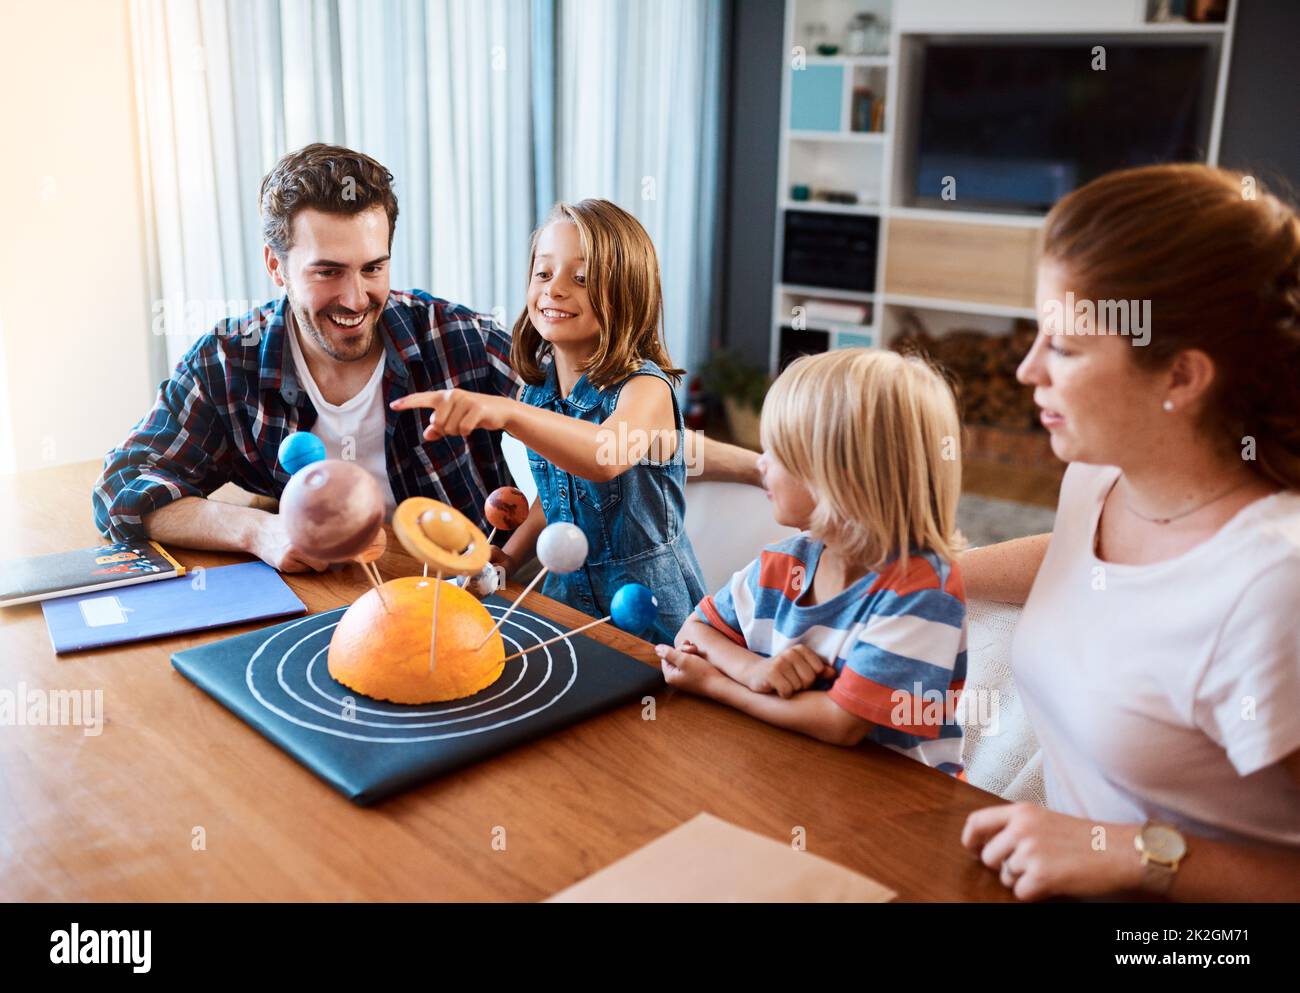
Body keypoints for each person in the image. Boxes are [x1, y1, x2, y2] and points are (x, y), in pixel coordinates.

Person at [94, 146, 761, 573]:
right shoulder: (230, 362)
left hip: (459, 607)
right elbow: (124, 491)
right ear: (276, 265)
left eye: (373, 267)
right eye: (327, 271)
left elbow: (633, 438)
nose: (355, 298)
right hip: (318, 604)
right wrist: (256, 531)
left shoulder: (461, 342)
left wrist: (759, 465)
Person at [959, 164, 1300, 901]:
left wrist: (1132, 852)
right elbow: (1096, 573)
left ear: (1180, 375)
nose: (1025, 371)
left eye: (1067, 349)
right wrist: (929, 572)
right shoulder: (1102, 473)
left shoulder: (1274, 588)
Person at [392, 200, 706, 642]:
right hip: (564, 598)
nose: (555, 289)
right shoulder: (537, 390)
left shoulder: (646, 389)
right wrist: (507, 556)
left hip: (650, 609)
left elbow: (603, 457)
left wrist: (509, 413)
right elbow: (560, 495)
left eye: (582, 278)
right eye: (543, 273)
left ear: (628, 293)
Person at [653, 349, 968, 772]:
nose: (759, 464)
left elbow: (840, 723)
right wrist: (752, 671)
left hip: (895, 813)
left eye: (776, 452)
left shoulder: (922, 589)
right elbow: (695, 630)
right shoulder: (784, 563)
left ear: (839, 475)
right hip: (795, 772)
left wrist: (716, 685)